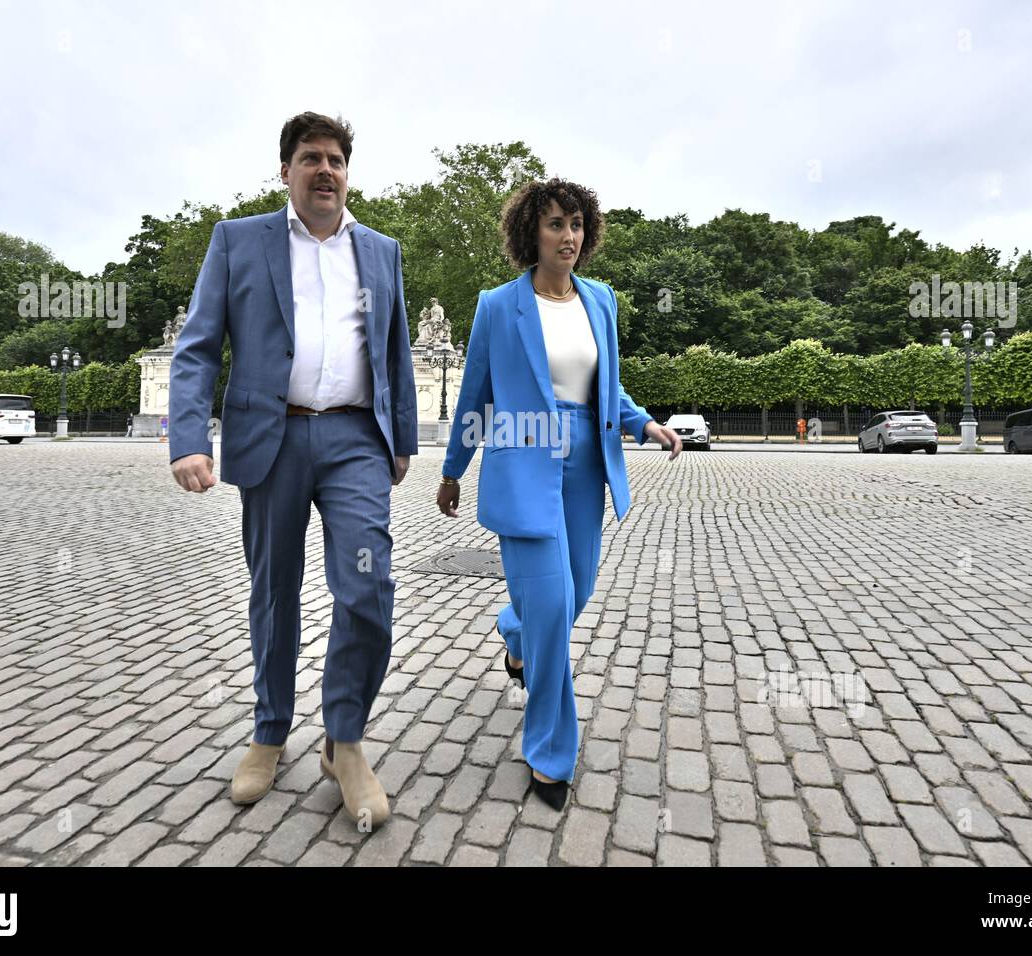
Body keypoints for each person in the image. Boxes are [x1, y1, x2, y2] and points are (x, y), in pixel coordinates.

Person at [169, 112, 416, 829]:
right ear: (286, 172)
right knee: (274, 594)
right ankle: (269, 733)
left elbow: (396, 348)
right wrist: (189, 438)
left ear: (348, 172)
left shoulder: (381, 251)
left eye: (336, 158)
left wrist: (401, 438)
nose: (326, 169)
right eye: (311, 157)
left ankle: (344, 741)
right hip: (270, 440)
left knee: (368, 587)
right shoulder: (238, 240)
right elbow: (198, 346)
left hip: (354, 441)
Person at [436, 179, 682, 810]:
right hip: (523, 459)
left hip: (585, 467)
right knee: (552, 610)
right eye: (554, 224)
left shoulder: (602, 302)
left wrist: (644, 423)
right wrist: (454, 468)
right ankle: (549, 751)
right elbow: (476, 395)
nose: (567, 236)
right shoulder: (497, 306)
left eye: (575, 224)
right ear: (530, 233)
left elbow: (609, 389)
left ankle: (512, 633)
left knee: (578, 589)